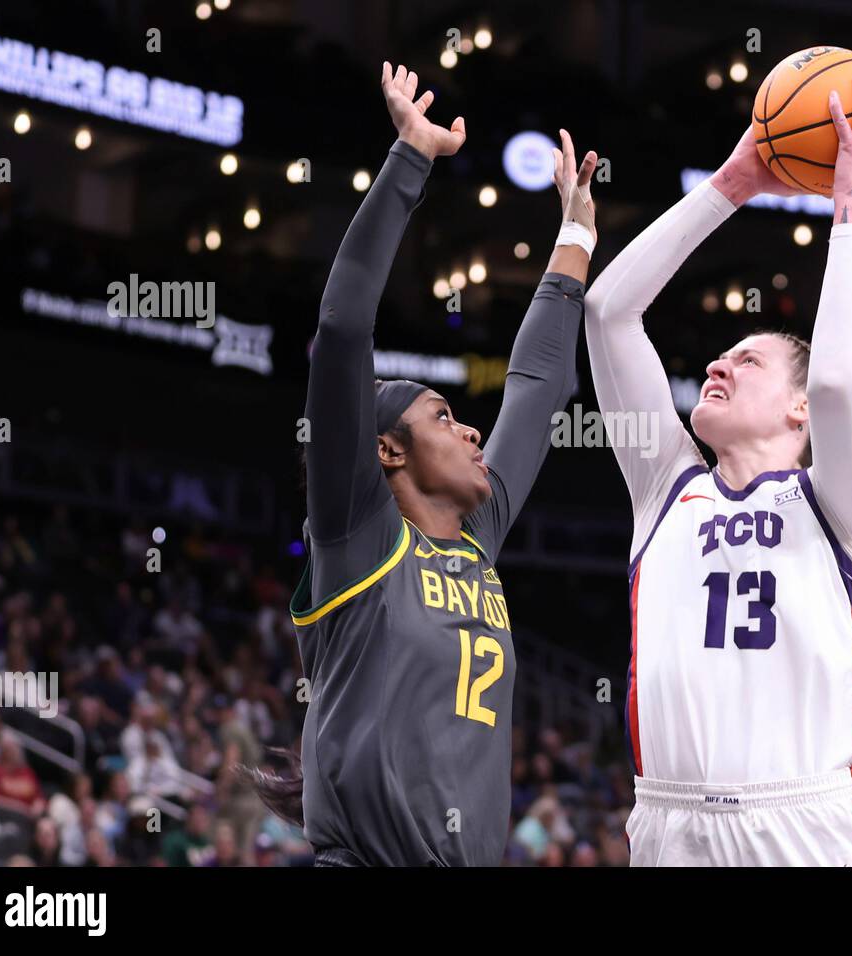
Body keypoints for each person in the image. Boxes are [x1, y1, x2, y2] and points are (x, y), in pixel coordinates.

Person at [243, 61, 598, 867]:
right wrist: (410, 159)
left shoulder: (477, 540)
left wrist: (574, 237)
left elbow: (541, 389)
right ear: (387, 450)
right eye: (444, 416)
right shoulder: (358, 537)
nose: (473, 432)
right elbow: (340, 330)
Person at [584, 73, 852, 865]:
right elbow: (607, 311)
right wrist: (731, 184)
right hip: (667, 827)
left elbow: (834, 379)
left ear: (798, 413)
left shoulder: (834, 502)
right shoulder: (665, 485)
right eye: (718, 357)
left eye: (749, 360)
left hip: (806, 823)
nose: (719, 366)